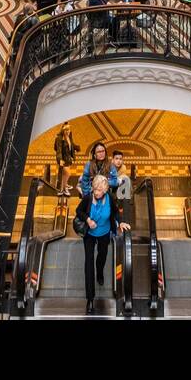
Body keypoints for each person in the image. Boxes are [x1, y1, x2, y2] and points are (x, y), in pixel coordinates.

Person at [76, 174, 129, 314]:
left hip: (105, 233)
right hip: (89, 235)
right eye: (95, 189)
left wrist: (120, 221)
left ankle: (100, 272)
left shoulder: (110, 198)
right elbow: (79, 211)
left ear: (105, 190)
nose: (96, 193)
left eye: (99, 190)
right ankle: (90, 299)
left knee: (102, 256)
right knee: (89, 263)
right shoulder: (87, 198)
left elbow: (116, 212)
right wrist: (88, 220)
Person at [54, 122, 78, 195]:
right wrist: (60, 159)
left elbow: (71, 144)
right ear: (62, 130)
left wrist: (77, 147)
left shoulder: (69, 135)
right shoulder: (59, 138)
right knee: (68, 173)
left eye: (68, 130)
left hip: (68, 158)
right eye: (66, 130)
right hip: (63, 159)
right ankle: (64, 189)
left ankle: (65, 185)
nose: (67, 131)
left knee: (64, 174)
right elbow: (58, 150)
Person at [111, 150, 133, 217]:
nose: (118, 161)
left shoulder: (123, 167)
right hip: (110, 188)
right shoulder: (109, 167)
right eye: (116, 159)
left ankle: (124, 202)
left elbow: (121, 180)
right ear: (113, 160)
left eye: (120, 159)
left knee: (126, 179)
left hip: (118, 188)